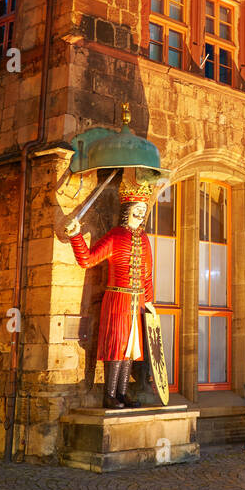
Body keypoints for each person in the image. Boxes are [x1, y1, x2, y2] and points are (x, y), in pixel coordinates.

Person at [66, 174, 156, 409]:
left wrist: (149, 302)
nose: (140, 215)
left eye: (143, 210)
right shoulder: (116, 236)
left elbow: (147, 275)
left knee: (131, 348)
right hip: (117, 298)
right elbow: (87, 259)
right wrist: (76, 235)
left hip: (136, 303)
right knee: (117, 346)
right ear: (127, 210)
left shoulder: (144, 240)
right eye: (137, 209)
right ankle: (109, 395)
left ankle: (122, 393)